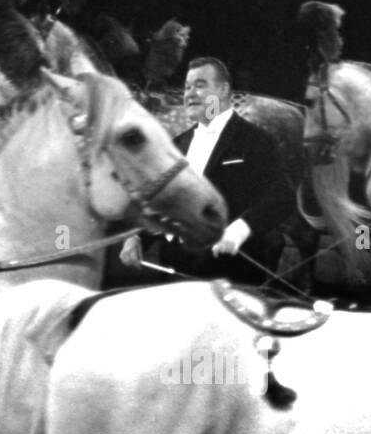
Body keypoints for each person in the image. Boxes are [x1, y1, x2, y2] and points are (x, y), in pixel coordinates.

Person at [119, 55, 292, 286]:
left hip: (229, 277)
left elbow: (283, 196)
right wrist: (138, 238)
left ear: (222, 90)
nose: (189, 94)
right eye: (187, 87)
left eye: (200, 86)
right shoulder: (177, 144)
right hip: (173, 277)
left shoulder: (255, 140)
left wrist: (241, 229)